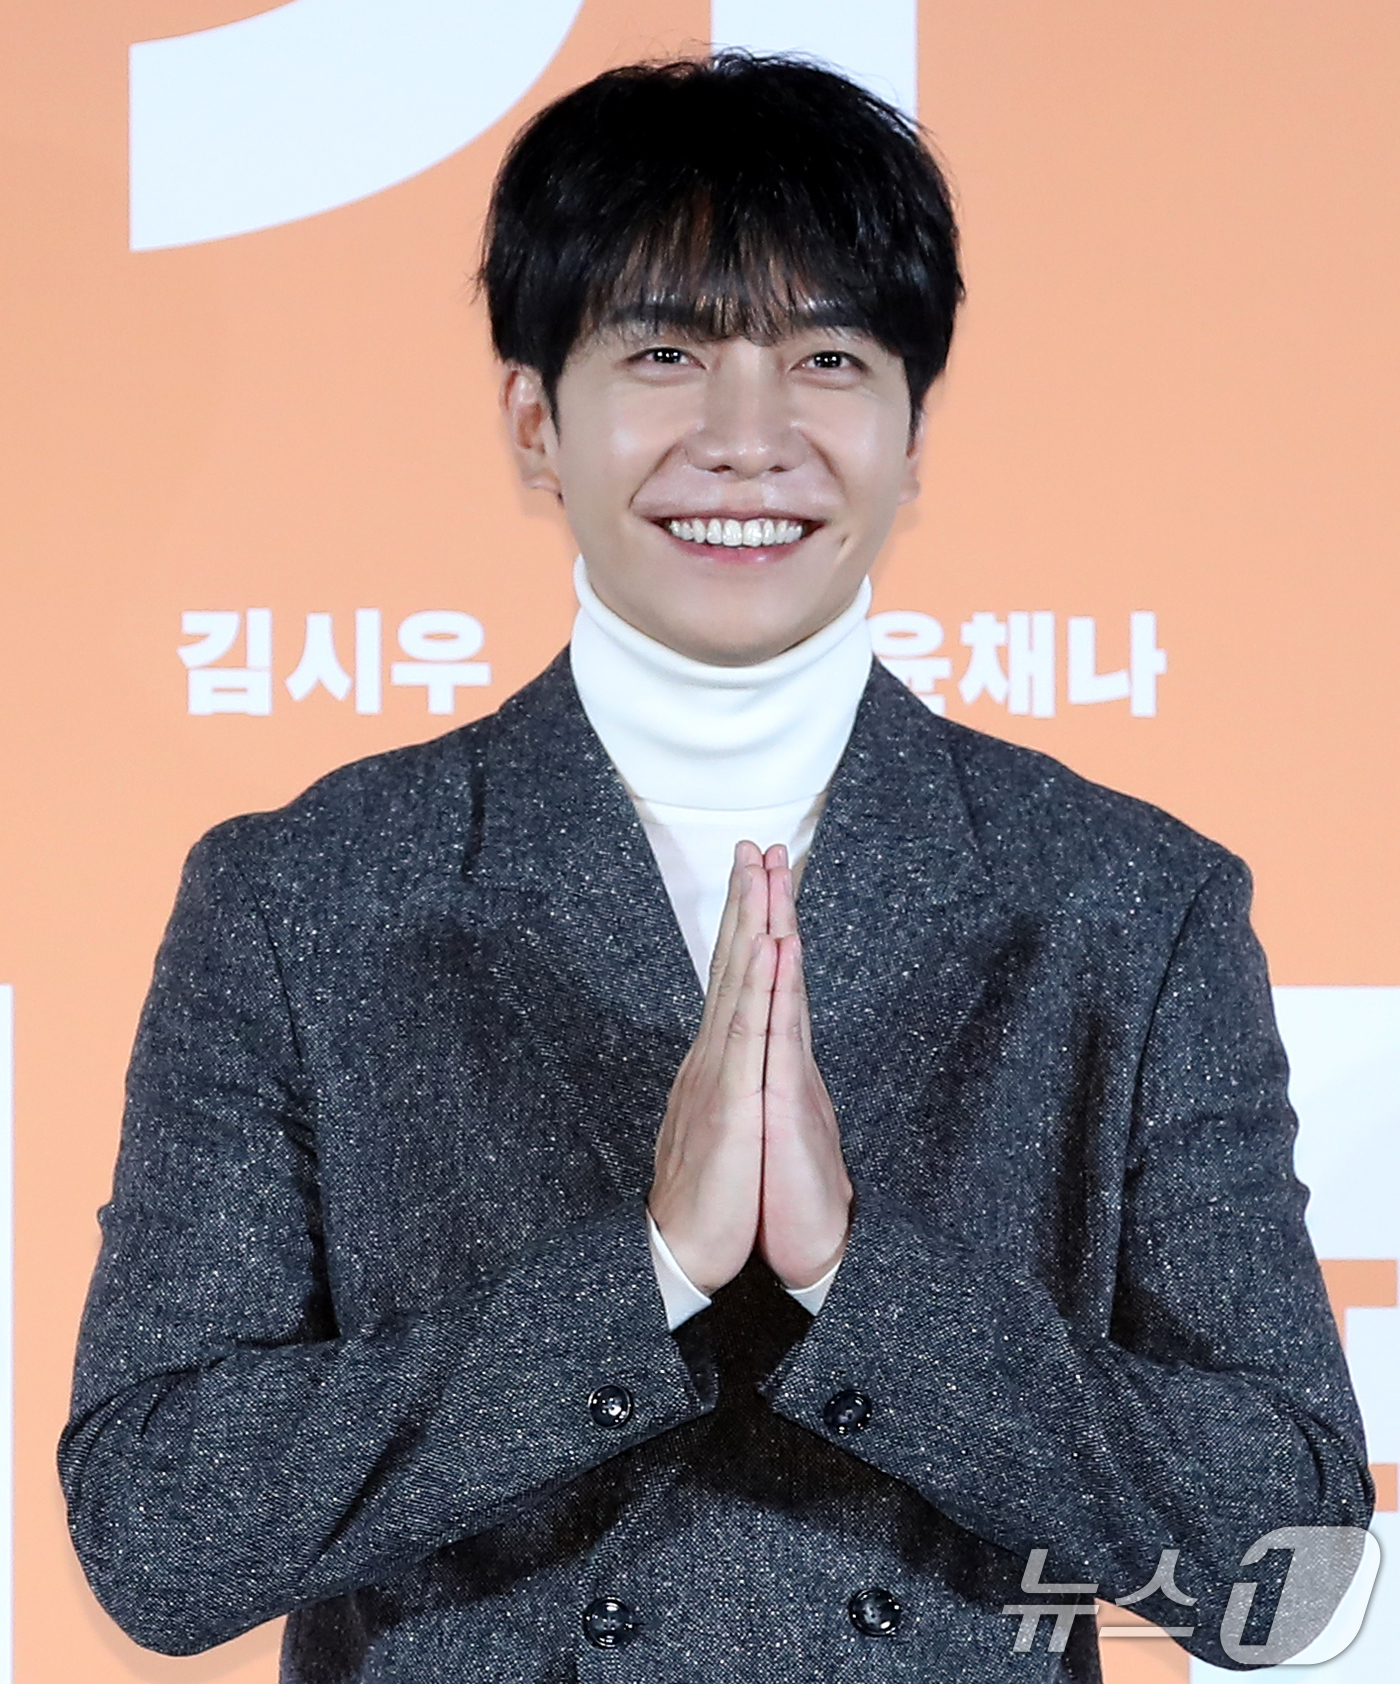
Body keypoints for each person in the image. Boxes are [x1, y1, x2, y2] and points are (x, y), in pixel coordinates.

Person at [60, 52, 1371, 1681]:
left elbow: (1292, 1565)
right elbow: (157, 1529)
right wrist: (644, 1276)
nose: (749, 441)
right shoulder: (305, 898)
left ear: (913, 431)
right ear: (536, 423)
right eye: (666, 353)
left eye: (827, 358)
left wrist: (859, 1284)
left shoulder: (1130, 904)